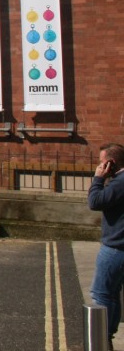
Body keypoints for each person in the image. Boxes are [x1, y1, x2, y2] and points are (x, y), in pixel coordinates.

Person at [89, 142, 124, 349]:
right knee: (112, 292)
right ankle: (107, 336)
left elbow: (95, 202)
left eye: (102, 162)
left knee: (102, 293)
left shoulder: (119, 183)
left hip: (115, 248)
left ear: (110, 163)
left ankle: (103, 340)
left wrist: (98, 179)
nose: (99, 166)